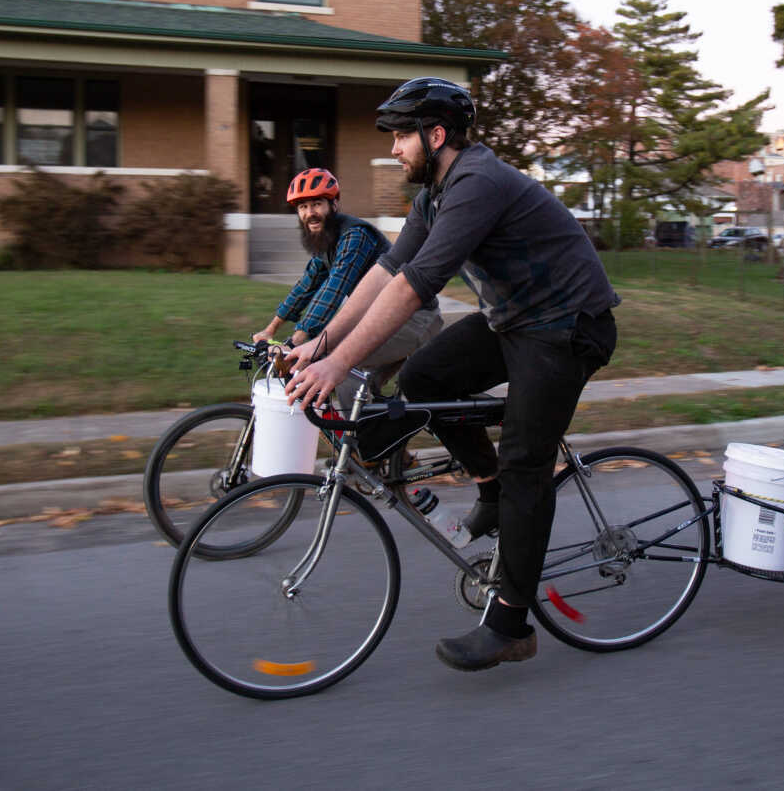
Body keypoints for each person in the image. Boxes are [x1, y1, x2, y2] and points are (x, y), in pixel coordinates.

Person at [284, 77, 620, 673]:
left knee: (527, 460)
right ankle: (488, 487)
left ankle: (511, 625)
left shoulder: (476, 182)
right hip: (515, 322)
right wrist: (321, 342)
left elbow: (416, 288)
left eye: (400, 137)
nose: (393, 149)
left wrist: (338, 364)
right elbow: (387, 272)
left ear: (435, 135)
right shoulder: (433, 195)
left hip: (568, 327)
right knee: (425, 379)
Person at [253, 167, 440, 408]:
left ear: (334, 205)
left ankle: (363, 444)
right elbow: (305, 287)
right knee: (361, 392)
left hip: (414, 318)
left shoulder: (355, 236)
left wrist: (296, 342)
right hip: (383, 318)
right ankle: (384, 443)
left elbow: (333, 290)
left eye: (316, 204)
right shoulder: (327, 242)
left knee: (342, 367)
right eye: (302, 207)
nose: (310, 213)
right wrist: (270, 330)